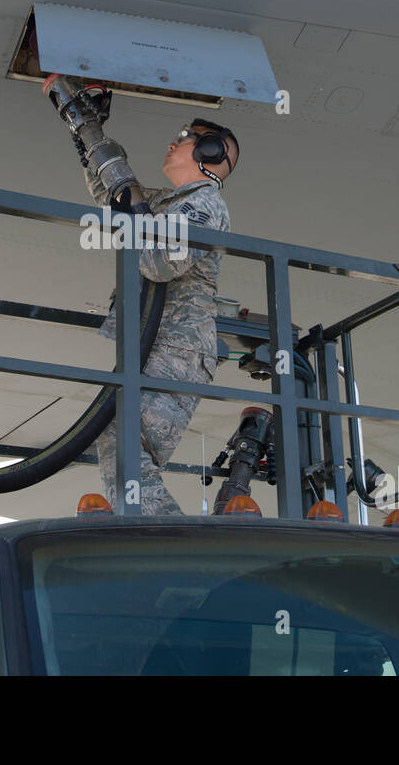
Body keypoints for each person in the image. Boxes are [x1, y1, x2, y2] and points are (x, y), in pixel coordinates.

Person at [82, 119, 239, 514]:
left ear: (211, 154)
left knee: (123, 440)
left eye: (184, 140)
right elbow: (113, 196)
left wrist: (138, 218)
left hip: (177, 351)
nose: (172, 143)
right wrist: (88, 134)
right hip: (156, 347)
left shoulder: (205, 205)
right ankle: (151, 528)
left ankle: (159, 530)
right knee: (121, 441)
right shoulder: (172, 204)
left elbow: (158, 263)